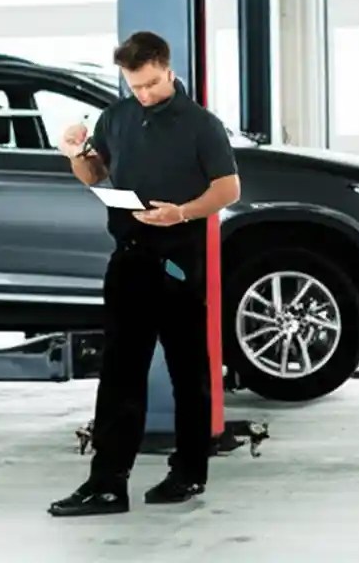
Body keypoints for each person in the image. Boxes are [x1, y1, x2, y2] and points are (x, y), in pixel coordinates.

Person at [48, 31, 242, 517]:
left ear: (168, 69)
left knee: (187, 369)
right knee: (119, 373)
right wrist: (76, 154)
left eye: (152, 84)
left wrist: (182, 213)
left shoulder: (202, 125)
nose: (145, 94)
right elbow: (96, 175)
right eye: (136, 86)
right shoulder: (116, 118)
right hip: (130, 257)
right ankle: (108, 482)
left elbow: (229, 189)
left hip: (178, 258)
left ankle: (188, 472)